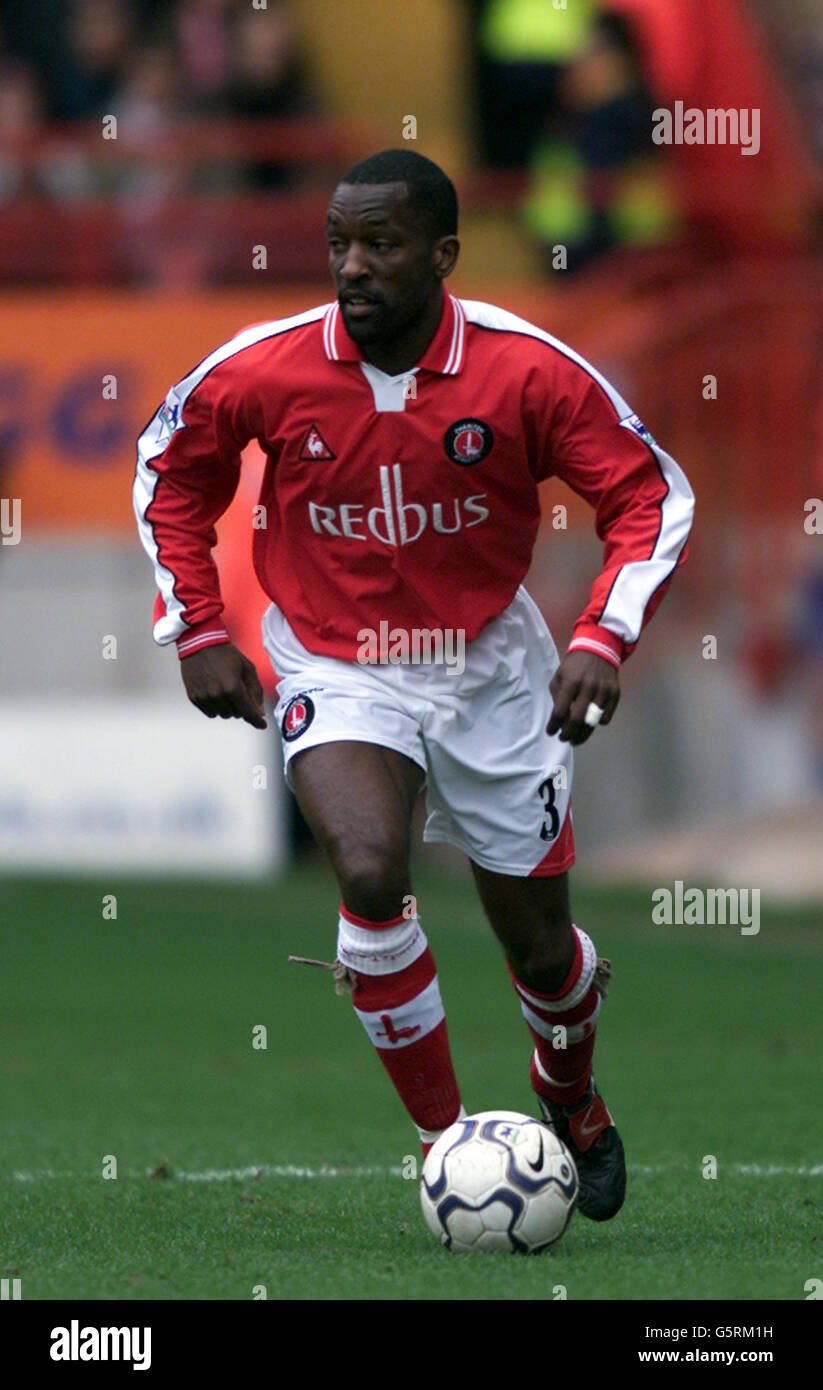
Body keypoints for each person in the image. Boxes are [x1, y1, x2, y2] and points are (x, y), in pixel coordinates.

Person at [133, 148, 694, 1223]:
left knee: (539, 948)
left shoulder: (526, 370)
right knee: (366, 866)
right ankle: (450, 1147)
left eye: (380, 244)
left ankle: (568, 1096)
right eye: (339, 243)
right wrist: (196, 624)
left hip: (491, 666)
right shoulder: (267, 364)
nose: (352, 265)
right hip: (336, 661)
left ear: (442, 253)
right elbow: (168, 468)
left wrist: (603, 637)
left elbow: (652, 498)